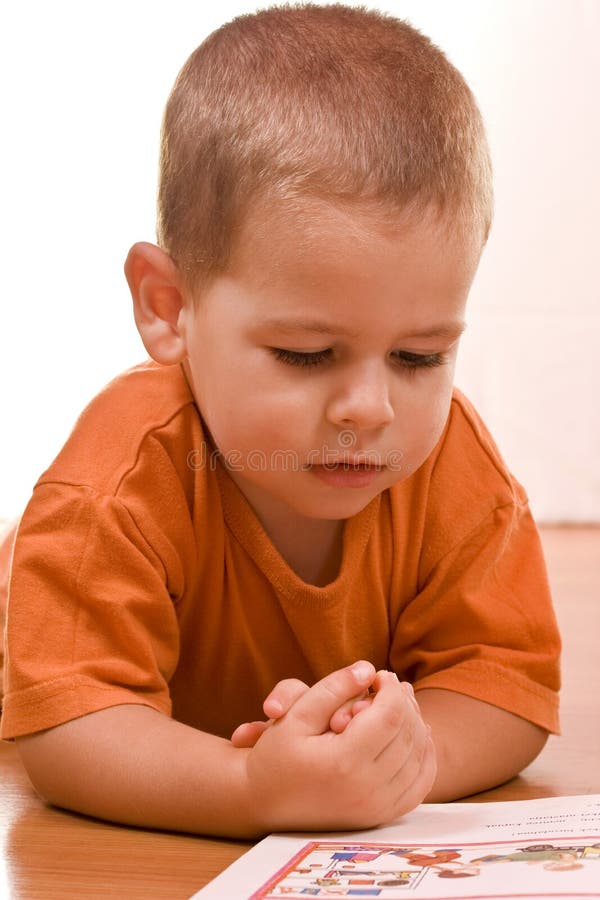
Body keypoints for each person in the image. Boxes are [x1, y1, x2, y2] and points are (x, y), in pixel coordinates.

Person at [0, 4, 560, 839]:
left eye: (419, 357)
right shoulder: (116, 486)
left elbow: (506, 686)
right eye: (306, 354)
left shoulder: (453, 465)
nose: (370, 408)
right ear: (170, 308)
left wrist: (391, 763)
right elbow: (67, 732)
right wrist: (252, 788)